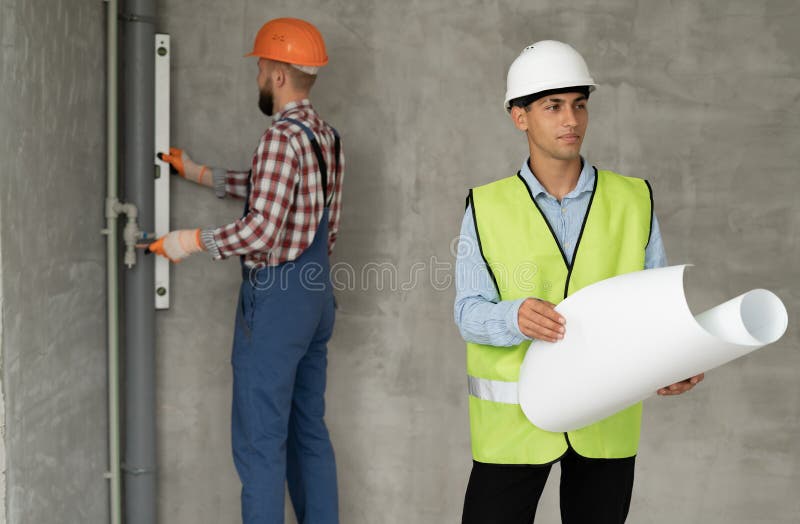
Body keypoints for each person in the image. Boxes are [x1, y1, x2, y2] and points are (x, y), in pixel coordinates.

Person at [454, 40, 704, 524]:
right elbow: (467, 312)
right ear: (519, 116)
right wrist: (513, 317)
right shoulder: (485, 207)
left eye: (579, 105)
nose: (571, 120)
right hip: (514, 427)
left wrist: (680, 357)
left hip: (604, 417)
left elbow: (656, 308)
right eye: (553, 107)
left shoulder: (634, 200)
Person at [150, 17, 343, 524]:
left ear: (278, 73)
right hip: (316, 294)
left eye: (261, 65)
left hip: (278, 302)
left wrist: (189, 241)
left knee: (260, 443)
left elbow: (261, 230)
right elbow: (281, 191)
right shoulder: (326, 136)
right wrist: (200, 174)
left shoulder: (281, 137)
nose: (257, 73)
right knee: (309, 433)